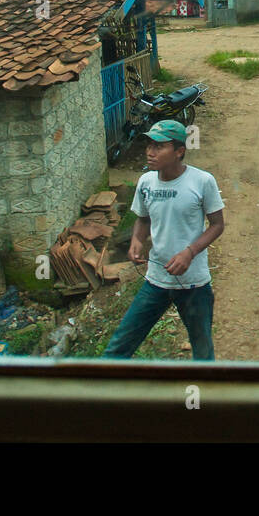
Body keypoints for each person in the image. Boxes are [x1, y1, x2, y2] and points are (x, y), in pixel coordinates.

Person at [103, 120, 225, 361]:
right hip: (156, 280)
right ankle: (97, 392)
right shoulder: (146, 182)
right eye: (149, 145)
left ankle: (204, 394)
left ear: (179, 151)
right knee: (118, 347)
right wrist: (137, 239)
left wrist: (189, 253)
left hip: (193, 284)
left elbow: (217, 225)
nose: (150, 151)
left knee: (202, 350)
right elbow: (143, 219)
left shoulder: (202, 181)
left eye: (159, 146)